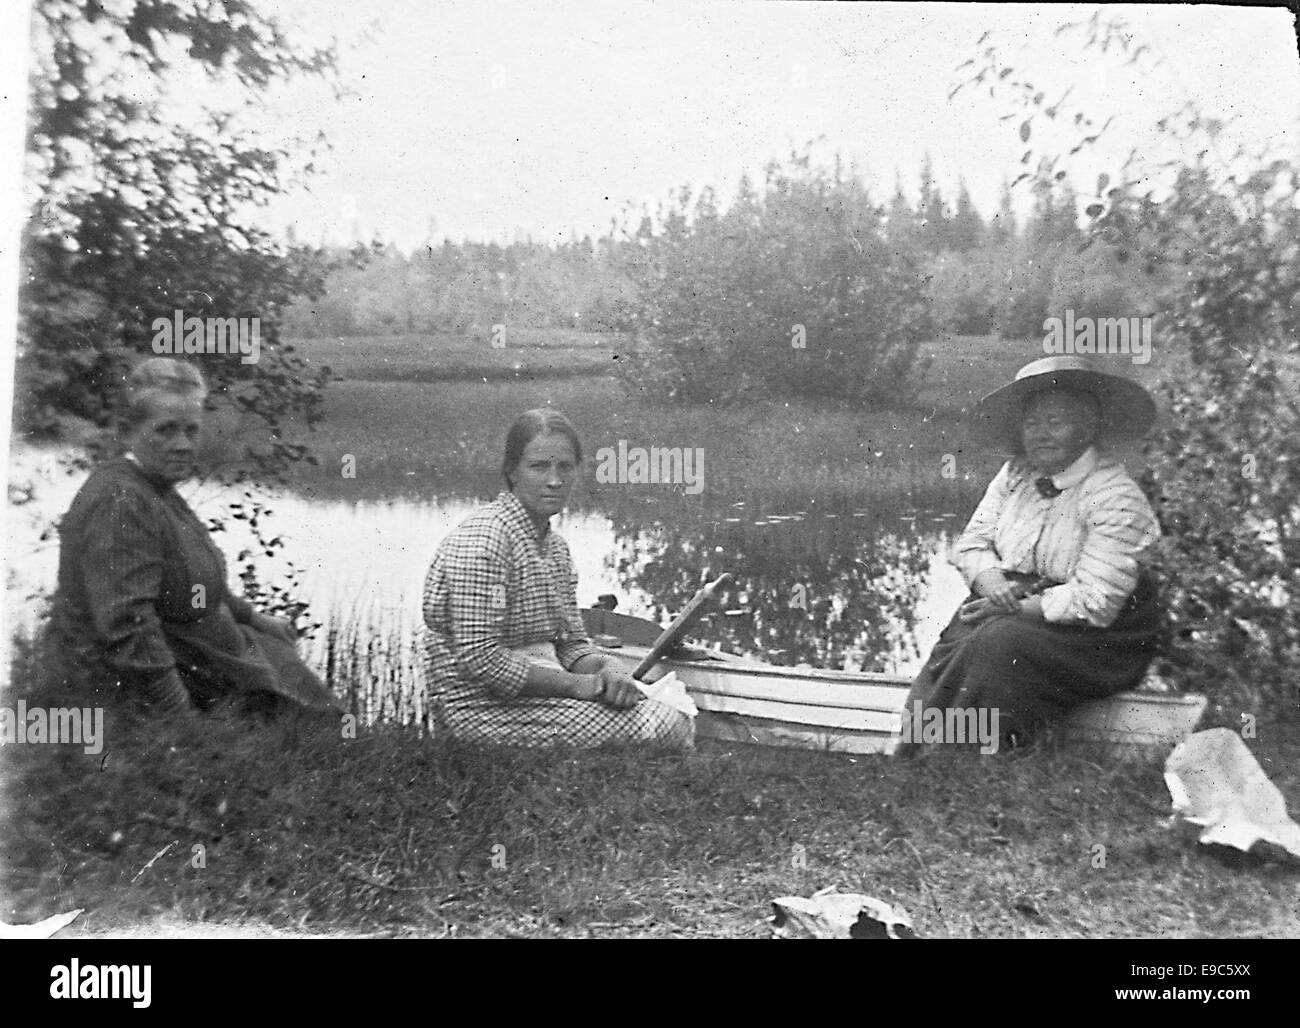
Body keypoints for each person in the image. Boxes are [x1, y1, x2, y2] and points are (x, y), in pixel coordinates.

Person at [898, 355, 1162, 753]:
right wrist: (990, 583)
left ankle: (968, 760)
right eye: (1031, 423)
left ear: (1087, 428)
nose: (1040, 434)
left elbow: (1097, 601)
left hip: (1099, 638)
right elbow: (972, 543)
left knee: (999, 643)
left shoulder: (1115, 497)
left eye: (1055, 422)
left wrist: (1009, 608)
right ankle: (921, 749)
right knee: (966, 630)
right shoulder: (1015, 475)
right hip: (1015, 608)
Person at [48, 358, 341, 717]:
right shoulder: (121, 499)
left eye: (191, 430)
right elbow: (129, 626)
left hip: (210, 660)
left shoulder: (157, 488)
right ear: (127, 432)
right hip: (138, 688)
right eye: (166, 430)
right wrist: (181, 718)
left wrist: (255, 618)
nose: (183, 444)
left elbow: (195, 581)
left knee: (320, 711)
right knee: (320, 733)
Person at [421, 408, 694, 748]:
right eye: (539, 467)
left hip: (539, 693)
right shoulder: (485, 540)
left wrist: (609, 666)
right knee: (665, 721)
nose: (554, 480)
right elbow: (481, 658)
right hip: (482, 707)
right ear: (512, 471)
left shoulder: (555, 549)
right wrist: (575, 686)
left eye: (564, 467)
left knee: (666, 710)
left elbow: (572, 645)